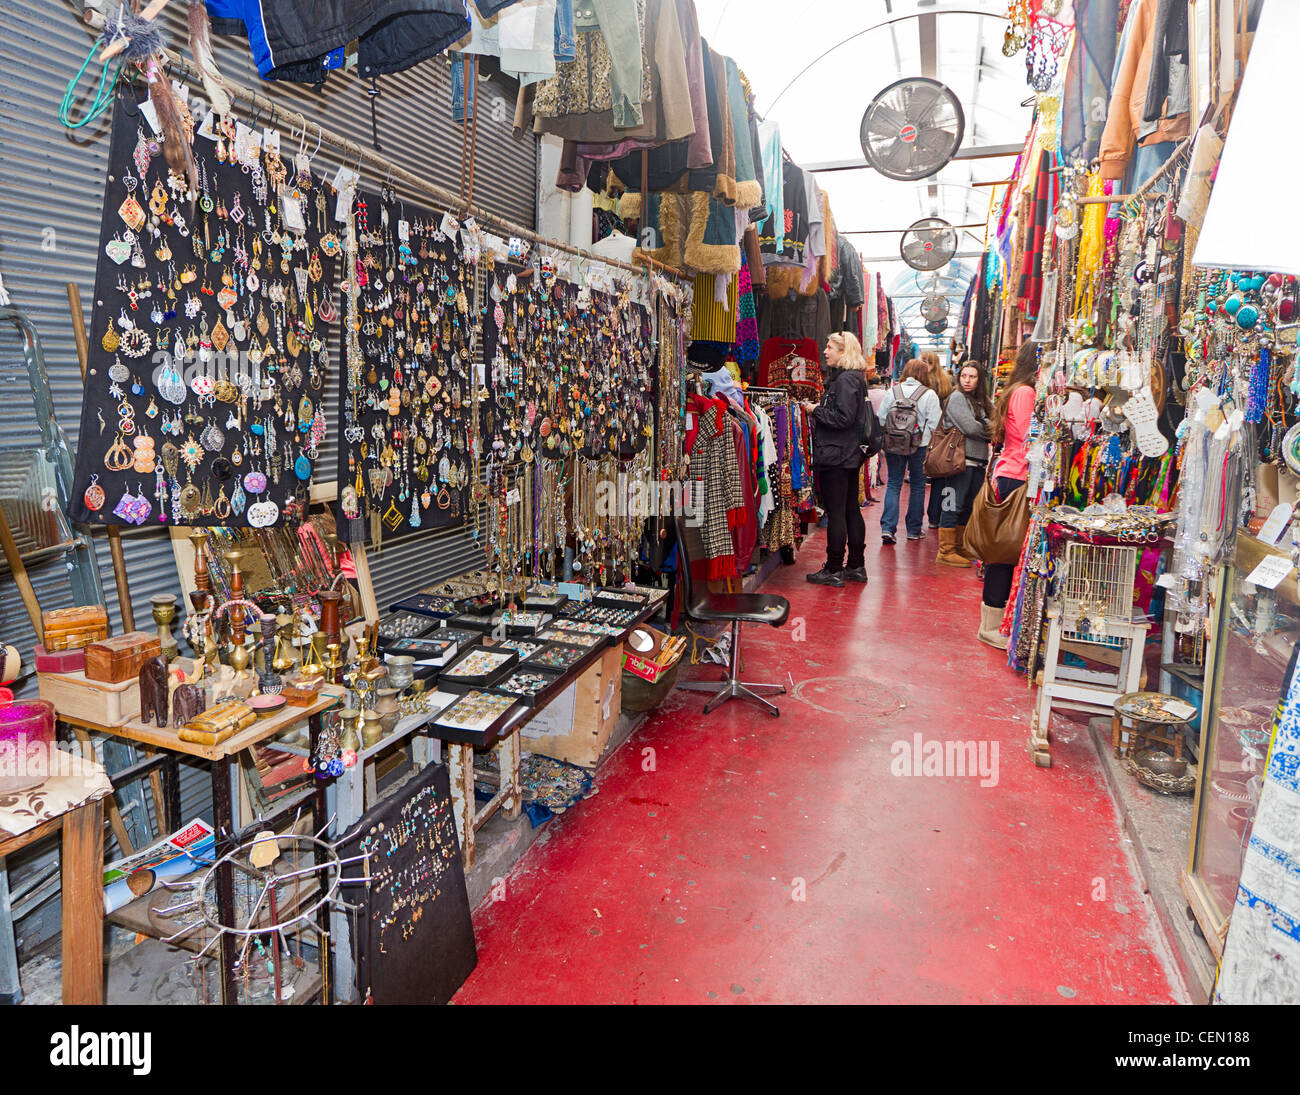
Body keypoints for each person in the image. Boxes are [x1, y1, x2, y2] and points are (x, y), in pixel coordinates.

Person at [977, 342, 1038, 648]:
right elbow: (1029, 439)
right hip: (1016, 478)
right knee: (1005, 552)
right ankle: (990, 627)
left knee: (1005, 552)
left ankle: (993, 623)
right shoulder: (1025, 393)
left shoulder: (1016, 390)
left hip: (1012, 475)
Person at [806, 332, 871, 587]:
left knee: (837, 513)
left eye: (830, 347)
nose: (825, 351)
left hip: (837, 454)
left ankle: (834, 568)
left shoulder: (844, 381)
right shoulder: (856, 379)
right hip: (849, 454)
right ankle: (855, 565)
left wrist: (816, 410)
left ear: (843, 352)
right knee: (850, 510)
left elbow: (842, 418)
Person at [878, 359, 941, 544]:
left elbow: (881, 418)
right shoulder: (929, 394)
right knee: (917, 486)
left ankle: (888, 528)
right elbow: (934, 423)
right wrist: (925, 443)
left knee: (893, 484)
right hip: (919, 446)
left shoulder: (893, 391)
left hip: (893, 445)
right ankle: (913, 530)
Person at [936, 360, 992, 568]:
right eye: (964, 376)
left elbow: (994, 421)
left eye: (972, 376)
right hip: (958, 460)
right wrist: (986, 427)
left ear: (980, 379)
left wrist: (984, 425)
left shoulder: (982, 400)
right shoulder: (957, 397)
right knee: (952, 503)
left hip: (977, 461)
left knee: (967, 505)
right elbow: (970, 428)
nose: (967, 380)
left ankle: (959, 546)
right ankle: (946, 550)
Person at [920, 350, 954, 533]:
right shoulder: (946, 382)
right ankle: (941, 516)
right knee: (944, 476)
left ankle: (933, 516)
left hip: (933, 434)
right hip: (947, 434)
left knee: (934, 477)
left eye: (925, 361)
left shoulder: (927, 385)